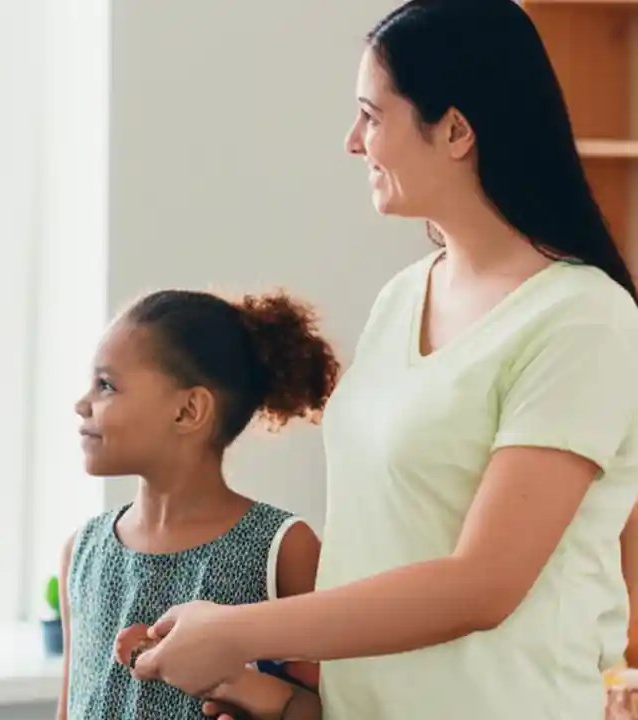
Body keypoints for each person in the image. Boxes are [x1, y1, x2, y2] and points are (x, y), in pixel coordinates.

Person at [123, 1, 638, 718]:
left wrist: (238, 629)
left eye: (371, 115)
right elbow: (390, 535)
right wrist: (282, 685)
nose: (352, 142)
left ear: (455, 130)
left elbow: (482, 584)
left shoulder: (584, 319)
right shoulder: (404, 296)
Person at [57, 287, 338, 720]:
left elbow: (331, 707)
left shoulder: (282, 549)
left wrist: (249, 691)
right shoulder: (81, 551)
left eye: (106, 385)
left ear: (188, 411)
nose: (81, 404)